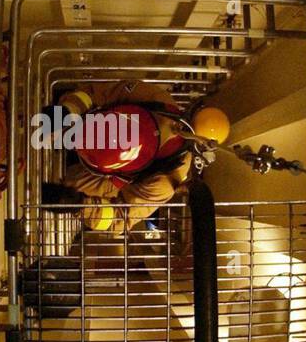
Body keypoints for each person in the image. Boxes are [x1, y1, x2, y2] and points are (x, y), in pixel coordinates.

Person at [50, 81, 230, 232]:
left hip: (98, 178)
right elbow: (96, 92)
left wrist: (77, 204)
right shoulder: (153, 98)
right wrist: (67, 111)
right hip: (87, 125)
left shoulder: (164, 182)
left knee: (61, 185)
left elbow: (120, 218)